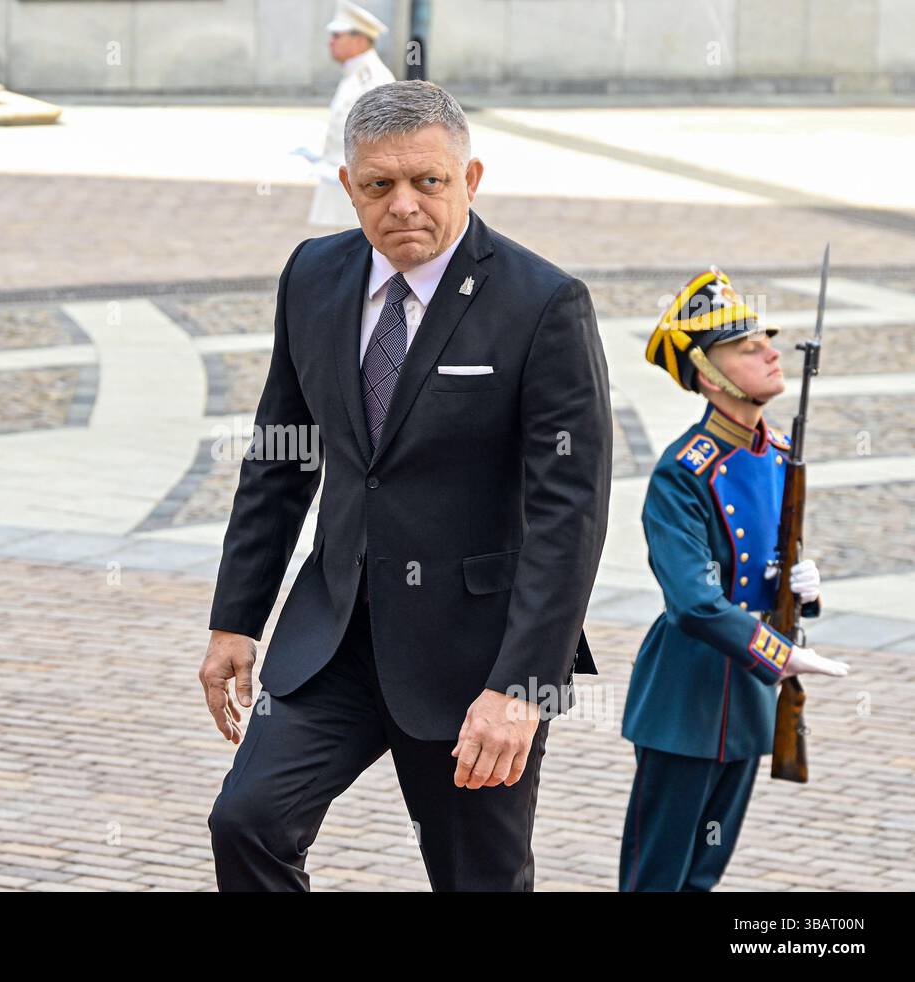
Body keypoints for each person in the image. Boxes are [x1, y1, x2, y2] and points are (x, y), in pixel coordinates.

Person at [200, 80, 612, 891]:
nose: (404, 206)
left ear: (471, 178)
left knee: (476, 879)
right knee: (246, 822)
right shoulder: (313, 275)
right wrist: (235, 619)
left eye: (429, 181)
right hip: (333, 640)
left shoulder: (543, 304)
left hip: (475, 661)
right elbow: (281, 459)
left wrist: (519, 690)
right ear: (349, 185)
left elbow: (571, 516)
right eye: (380, 185)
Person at [618, 267, 850, 891]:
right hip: (686, 699)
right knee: (656, 878)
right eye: (749, 348)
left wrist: (805, 586)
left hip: (747, 700)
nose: (772, 353)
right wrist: (784, 656)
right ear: (708, 373)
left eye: (765, 341)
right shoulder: (683, 472)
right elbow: (694, 602)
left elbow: (768, 566)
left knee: (703, 879)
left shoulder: (775, 455)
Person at [300, 1, 395, 229]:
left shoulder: (373, 79)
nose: (330, 42)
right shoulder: (354, 75)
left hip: (356, 187)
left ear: (360, 39)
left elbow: (382, 139)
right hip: (340, 183)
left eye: (337, 35)